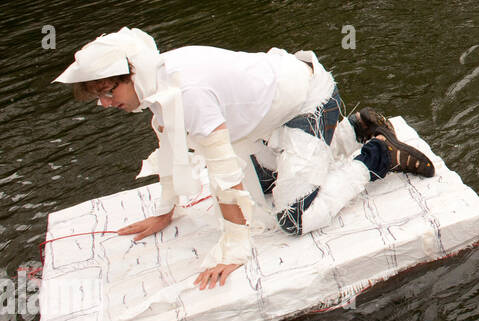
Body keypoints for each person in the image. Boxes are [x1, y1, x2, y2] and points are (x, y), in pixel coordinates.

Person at [55, 28, 435, 290]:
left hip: (309, 103)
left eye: (108, 92)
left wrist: (234, 247)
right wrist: (166, 211)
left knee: (294, 217)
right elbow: (169, 148)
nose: (106, 104)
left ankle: (379, 155)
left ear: (132, 74)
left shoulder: (186, 93)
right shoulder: (158, 80)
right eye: (99, 98)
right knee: (264, 189)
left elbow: (223, 174)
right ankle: (355, 128)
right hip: (271, 116)